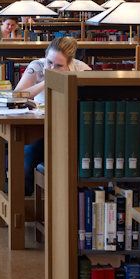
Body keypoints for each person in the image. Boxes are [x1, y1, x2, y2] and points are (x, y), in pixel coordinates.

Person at [14, 36, 91, 195]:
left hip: (73, 130)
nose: (52, 67)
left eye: (59, 65)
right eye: (49, 62)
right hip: (42, 129)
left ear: (70, 62)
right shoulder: (37, 66)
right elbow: (17, 96)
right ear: (45, 55)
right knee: (27, 157)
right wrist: (47, 81)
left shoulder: (82, 69)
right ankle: (22, 205)